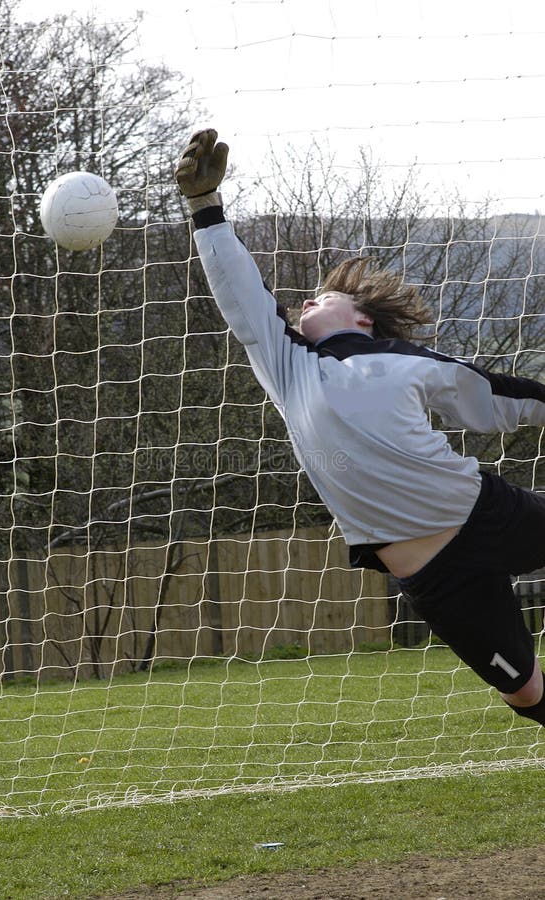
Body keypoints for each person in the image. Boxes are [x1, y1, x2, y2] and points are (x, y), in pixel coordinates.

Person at [175, 128, 545, 725]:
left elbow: (500, 398)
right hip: (433, 577)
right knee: (525, 693)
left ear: (363, 318)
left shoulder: (407, 361)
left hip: (486, 513)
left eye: (319, 299)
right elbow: (241, 294)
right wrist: (206, 212)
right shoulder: (289, 366)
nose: (304, 305)